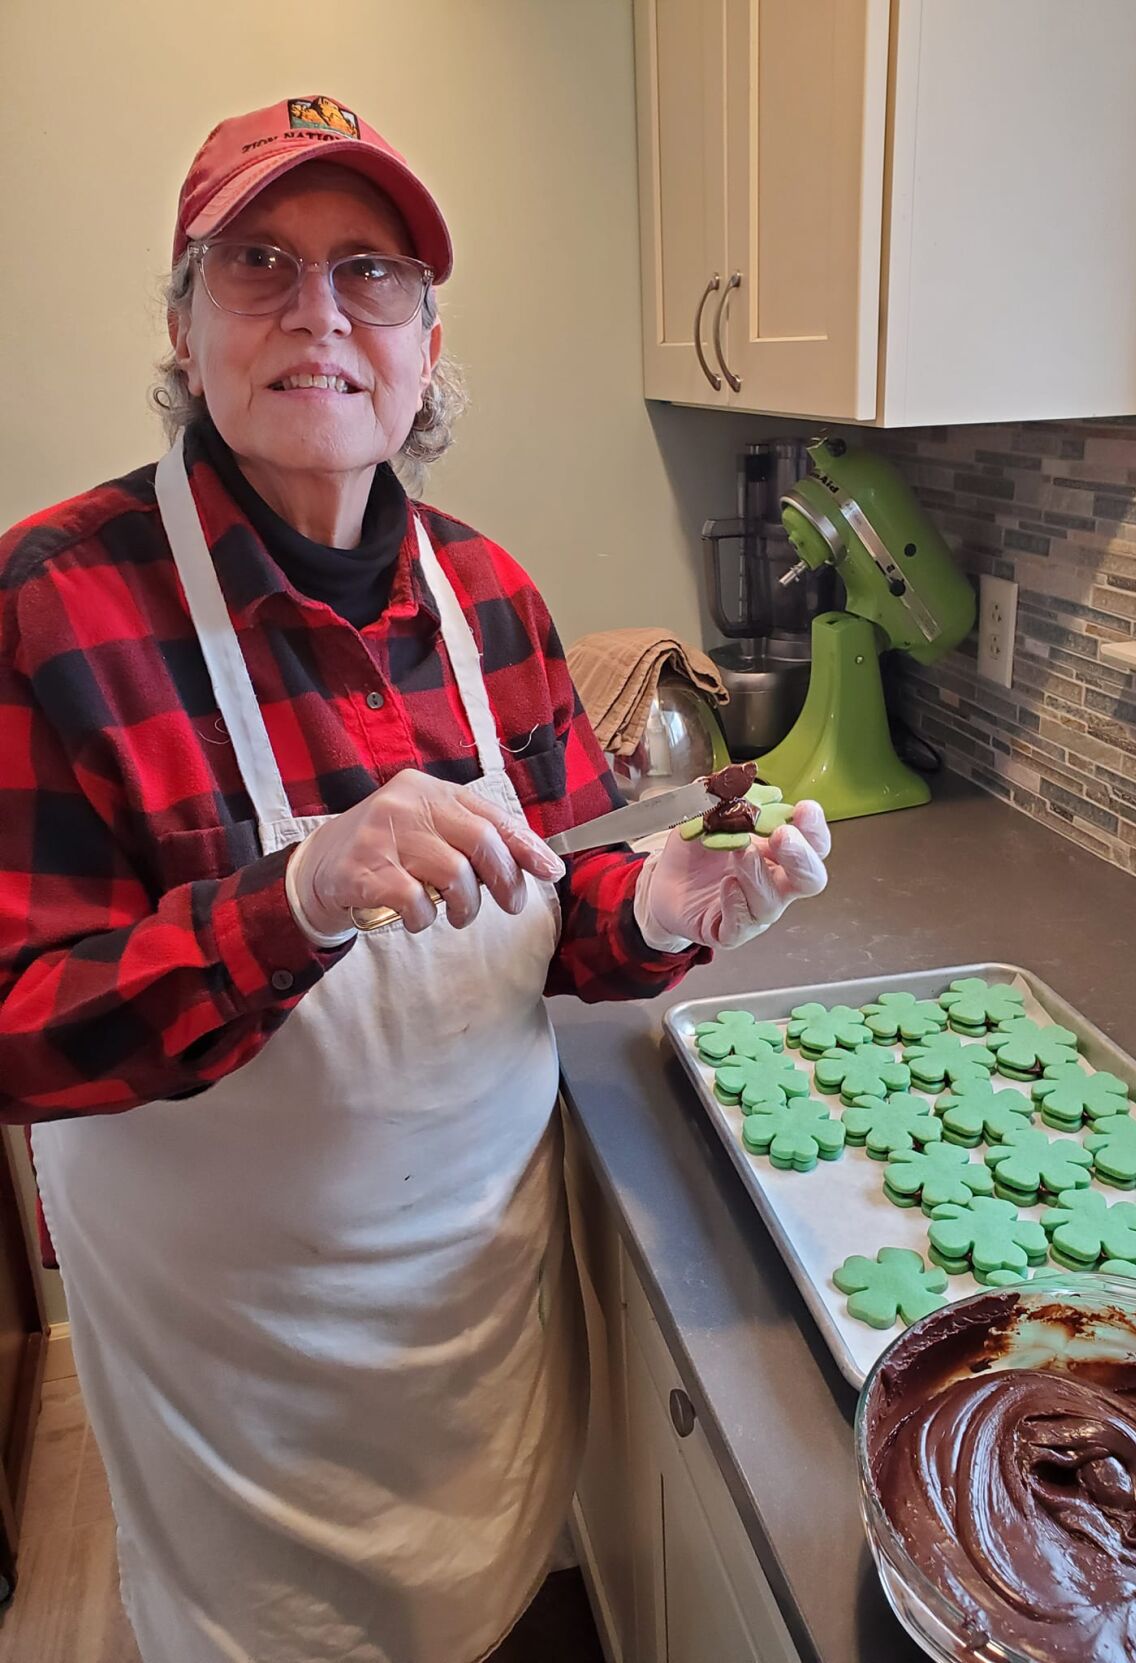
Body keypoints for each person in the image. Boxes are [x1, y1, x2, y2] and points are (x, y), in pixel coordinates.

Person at [0, 94, 830, 1663]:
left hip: (473, 1309)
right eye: (260, 263)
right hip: (234, 1362)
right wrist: (299, 891)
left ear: (427, 342)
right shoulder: (51, 603)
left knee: (501, 1598)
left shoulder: (492, 592)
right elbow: (23, 1028)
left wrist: (661, 909)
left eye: (371, 270)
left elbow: (544, 911)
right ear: (183, 326)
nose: (321, 314)